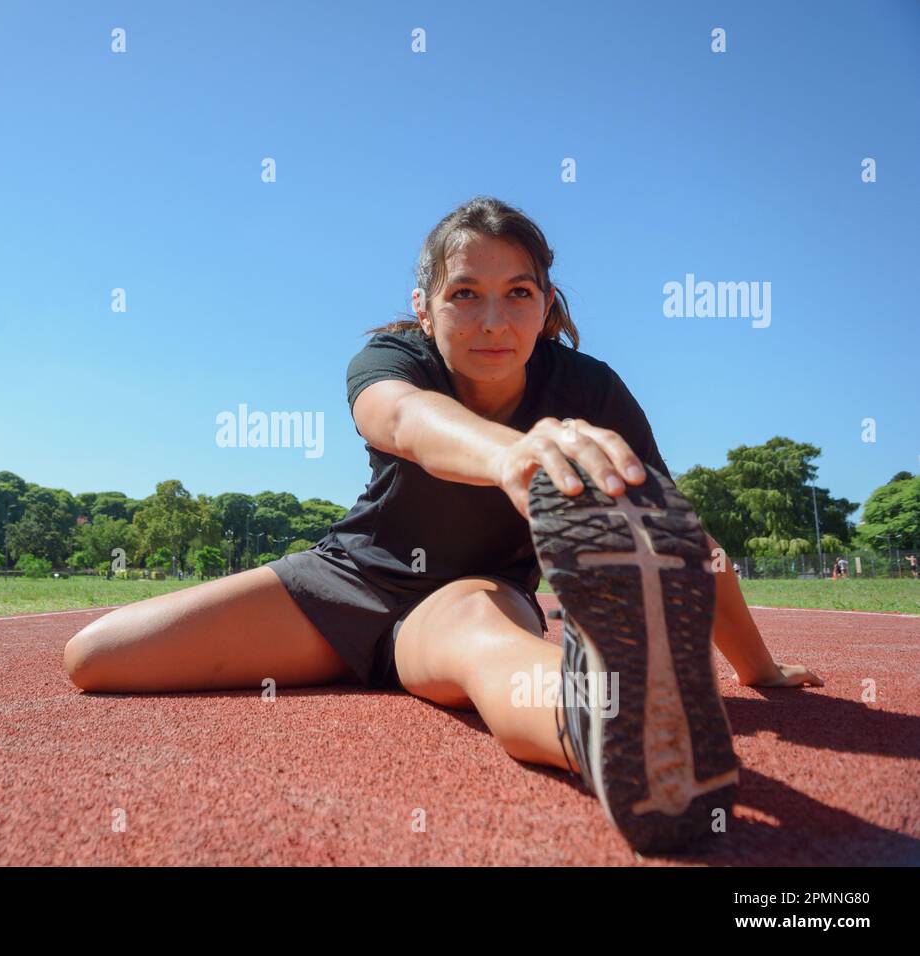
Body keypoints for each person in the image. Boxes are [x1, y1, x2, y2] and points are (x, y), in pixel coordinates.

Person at [62, 196, 824, 855]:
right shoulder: (391, 359)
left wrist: (757, 670)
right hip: (345, 582)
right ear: (425, 305)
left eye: (518, 292)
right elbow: (405, 420)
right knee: (95, 657)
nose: (494, 320)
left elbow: (678, 540)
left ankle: (612, 730)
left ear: (548, 304)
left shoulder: (589, 391)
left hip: (468, 595)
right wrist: (514, 459)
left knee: (485, 649)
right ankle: (360, 663)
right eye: (465, 294)